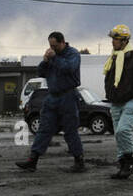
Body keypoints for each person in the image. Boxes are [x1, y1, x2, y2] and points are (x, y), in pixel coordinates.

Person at [16, 32, 83, 172]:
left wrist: (54, 58)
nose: (52, 48)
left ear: (62, 42)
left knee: (70, 130)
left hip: (68, 96)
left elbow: (69, 68)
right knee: (44, 128)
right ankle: (32, 160)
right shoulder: (52, 56)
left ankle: (79, 161)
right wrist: (45, 61)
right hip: (52, 96)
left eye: (54, 45)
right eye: (50, 45)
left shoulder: (73, 54)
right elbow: (40, 73)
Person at [102, 23, 133, 179]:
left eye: (115, 39)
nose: (112, 42)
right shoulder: (114, 57)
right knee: (118, 134)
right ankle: (123, 164)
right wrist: (110, 95)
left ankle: (129, 161)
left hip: (131, 101)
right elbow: (109, 79)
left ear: (124, 40)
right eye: (112, 39)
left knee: (123, 130)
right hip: (115, 102)